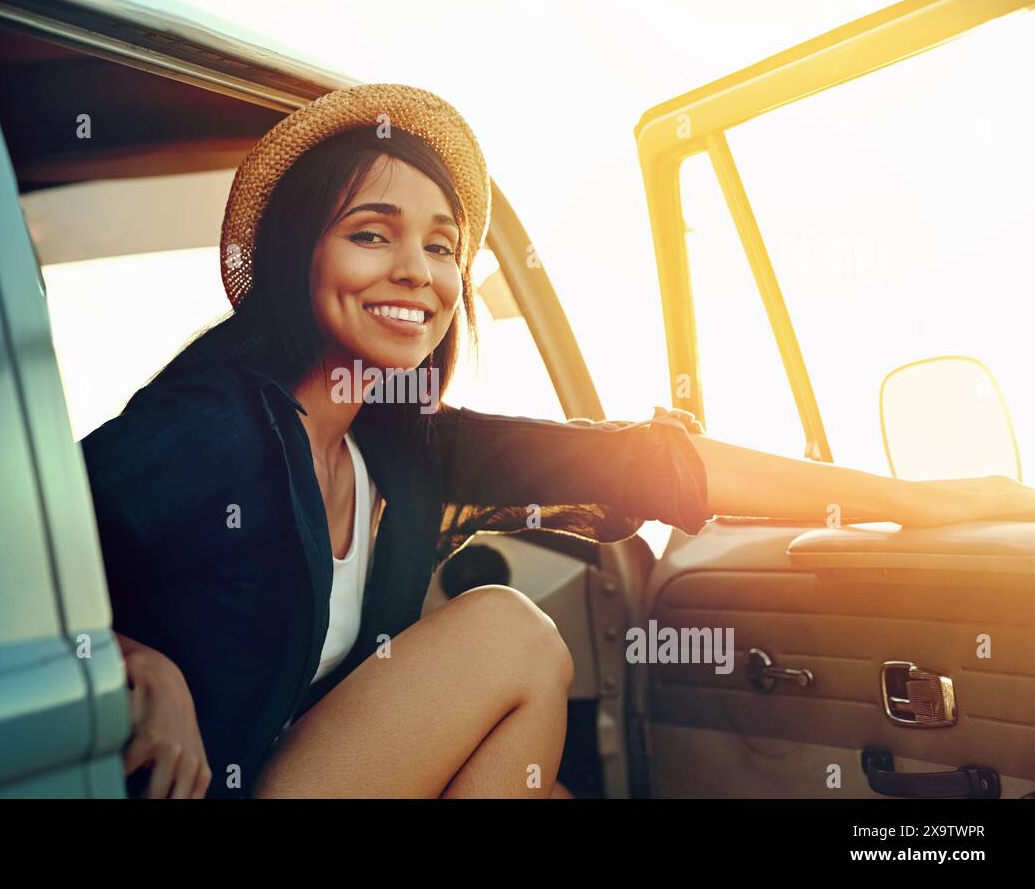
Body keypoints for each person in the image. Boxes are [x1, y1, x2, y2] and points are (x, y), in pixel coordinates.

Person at [81, 84, 1035, 799]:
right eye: (373, 234)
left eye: (444, 246)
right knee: (507, 631)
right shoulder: (217, 428)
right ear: (301, 255)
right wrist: (130, 657)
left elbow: (652, 468)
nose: (418, 271)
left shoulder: (406, 452)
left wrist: (934, 502)